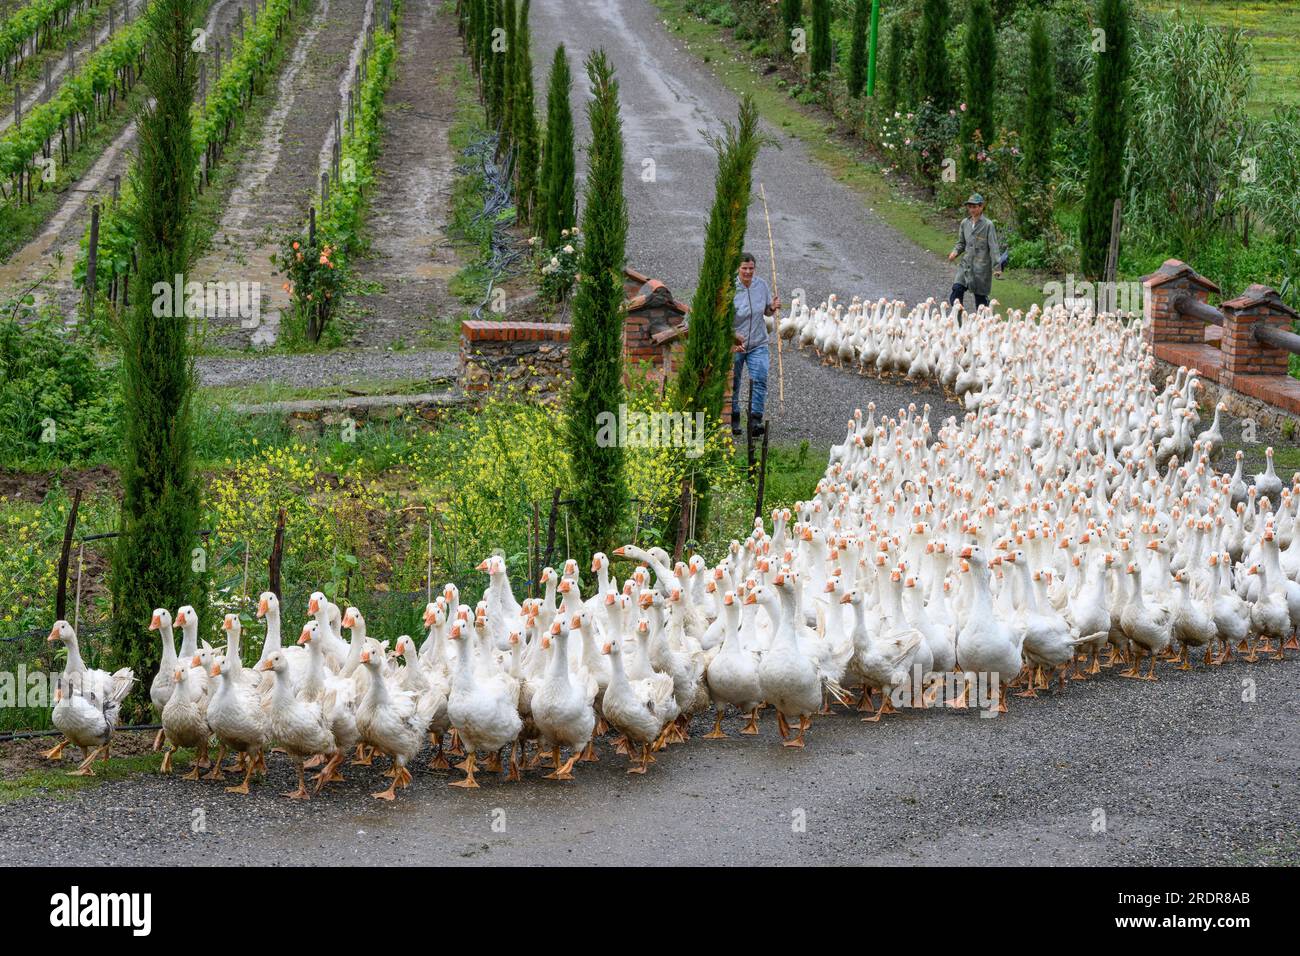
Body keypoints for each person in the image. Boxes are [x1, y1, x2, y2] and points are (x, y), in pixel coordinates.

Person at [731, 252, 781, 438]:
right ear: (738, 269)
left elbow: (767, 312)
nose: (748, 272)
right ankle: (733, 419)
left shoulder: (762, 285)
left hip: (758, 342)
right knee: (734, 382)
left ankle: (755, 420)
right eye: (744, 268)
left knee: (760, 378)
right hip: (736, 344)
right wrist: (732, 338)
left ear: (755, 268)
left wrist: (773, 308)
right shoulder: (731, 288)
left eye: (751, 268)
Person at [947, 193, 1002, 315]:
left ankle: (981, 327)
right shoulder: (964, 223)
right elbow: (961, 243)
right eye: (970, 207)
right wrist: (955, 252)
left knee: (981, 303)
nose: (972, 209)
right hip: (965, 265)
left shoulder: (988, 225)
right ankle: (958, 320)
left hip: (981, 269)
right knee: (956, 290)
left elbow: (994, 247)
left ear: (981, 207)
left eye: (975, 206)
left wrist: (997, 267)